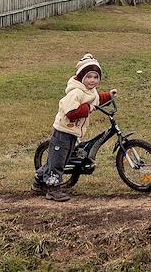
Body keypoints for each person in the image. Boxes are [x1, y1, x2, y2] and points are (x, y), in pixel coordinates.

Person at [33, 53, 116, 201]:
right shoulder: (76, 92)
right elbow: (71, 113)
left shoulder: (89, 91)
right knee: (57, 162)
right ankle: (52, 190)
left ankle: (38, 181)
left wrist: (108, 96)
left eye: (96, 77)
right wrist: (89, 109)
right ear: (82, 77)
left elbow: (96, 100)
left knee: (62, 159)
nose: (92, 80)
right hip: (63, 131)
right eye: (89, 76)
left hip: (74, 132)